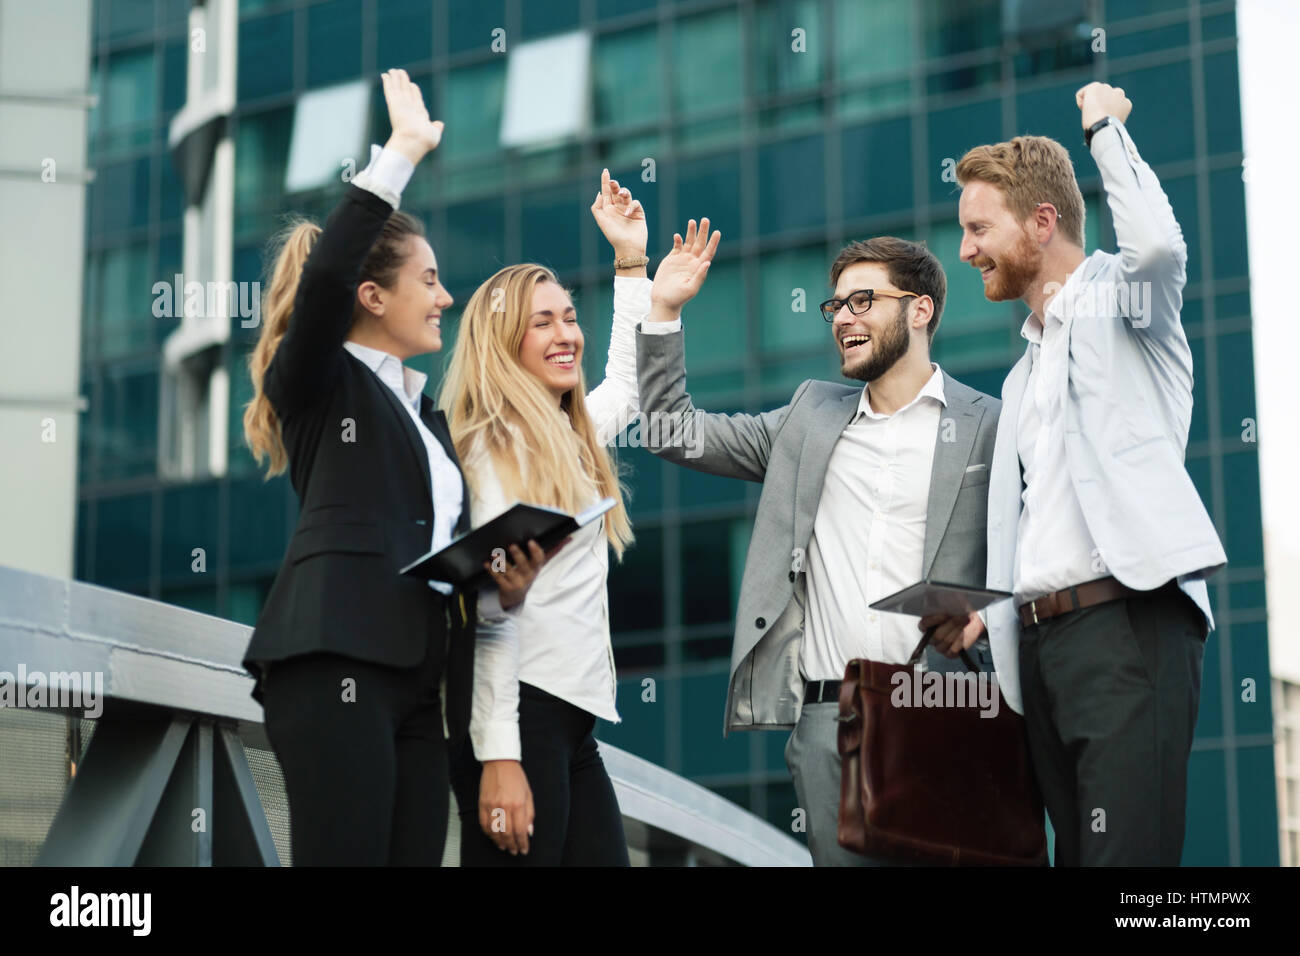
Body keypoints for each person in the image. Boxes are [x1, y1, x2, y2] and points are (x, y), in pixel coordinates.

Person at [240, 69, 547, 866]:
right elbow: (326, 278)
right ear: (373, 297)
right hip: (333, 661)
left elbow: (426, 551)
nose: (445, 297)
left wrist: (496, 582)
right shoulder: (318, 378)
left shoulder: (428, 421)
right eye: (430, 280)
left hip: (420, 682)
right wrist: (402, 153)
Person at [635, 225, 1001, 865]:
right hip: (831, 724)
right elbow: (673, 432)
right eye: (837, 305)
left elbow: (1040, 551)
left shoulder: (990, 425)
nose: (842, 318)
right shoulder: (807, 417)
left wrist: (989, 621)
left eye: (864, 301)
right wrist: (664, 311)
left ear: (921, 310)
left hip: (947, 705)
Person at [933, 83, 1227, 865]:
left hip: (1129, 625)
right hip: (1040, 649)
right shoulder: (1020, 377)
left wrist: (1103, 126)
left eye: (977, 228)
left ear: (1042, 220)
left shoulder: (1126, 302)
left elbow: (1161, 247)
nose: (965, 250)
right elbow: (1045, 520)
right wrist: (987, 619)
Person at [440, 173, 718, 865]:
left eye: (569, 316)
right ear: (503, 344)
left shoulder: (563, 436)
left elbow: (627, 382)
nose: (566, 334)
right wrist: (499, 755)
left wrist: (633, 265)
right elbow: (491, 611)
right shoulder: (492, 448)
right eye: (543, 323)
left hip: (569, 724)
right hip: (521, 719)